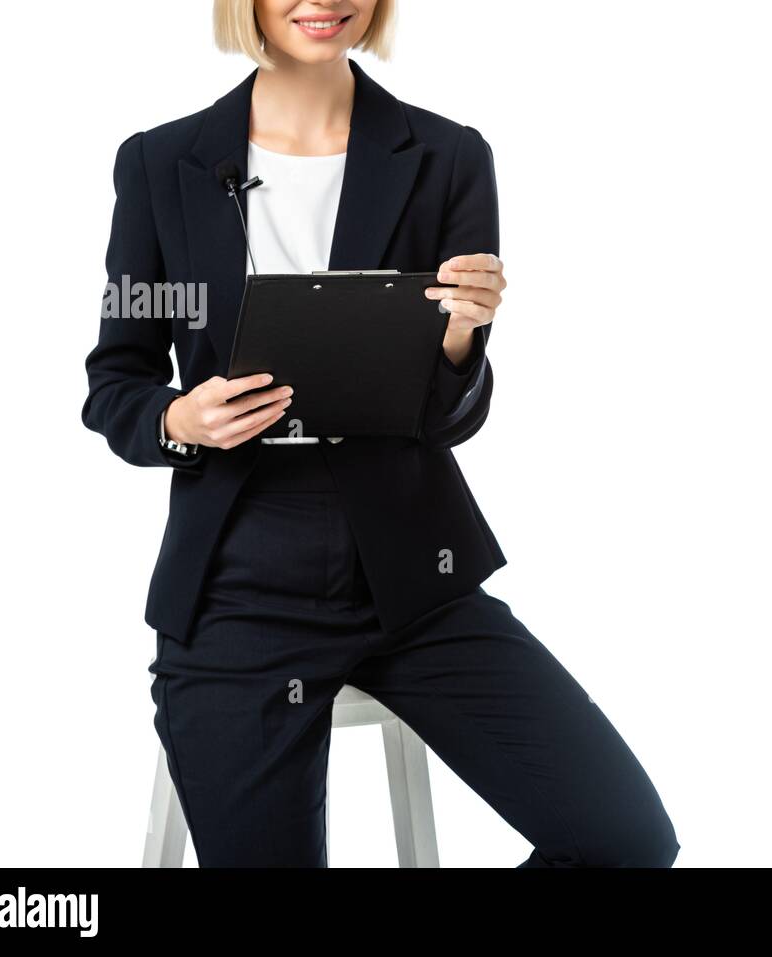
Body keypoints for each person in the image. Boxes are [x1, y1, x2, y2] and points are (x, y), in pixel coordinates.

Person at [83, 0, 679, 868]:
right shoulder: (160, 162)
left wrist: (459, 340)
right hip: (236, 590)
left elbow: (455, 416)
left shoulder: (446, 156)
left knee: (624, 839)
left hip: (414, 581)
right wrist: (178, 419)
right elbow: (116, 384)